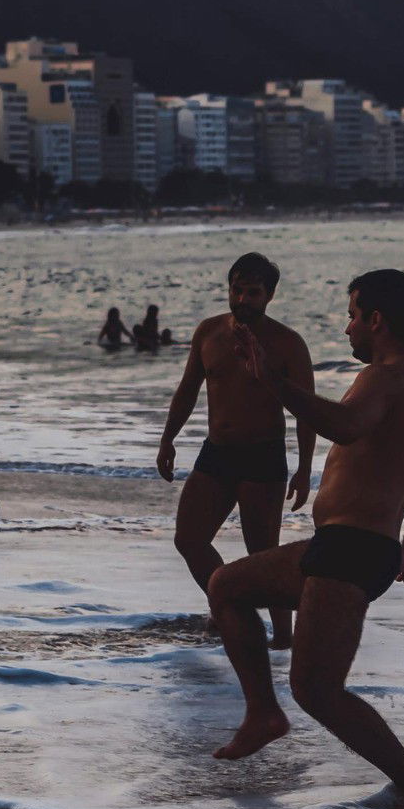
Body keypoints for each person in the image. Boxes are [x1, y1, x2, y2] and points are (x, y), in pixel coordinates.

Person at [206, 269, 404, 809]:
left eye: (352, 315)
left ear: (377, 320)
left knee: (318, 690)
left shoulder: (387, 378)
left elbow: (344, 425)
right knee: (228, 585)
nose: (347, 329)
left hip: (352, 549)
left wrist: (275, 383)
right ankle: (263, 714)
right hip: (357, 547)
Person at [155, 253, 316, 648]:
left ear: (270, 295)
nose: (243, 299)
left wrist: (305, 467)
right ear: (229, 289)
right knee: (189, 540)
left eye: (253, 293)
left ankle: (282, 638)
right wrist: (167, 439)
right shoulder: (209, 333)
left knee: (264, 554)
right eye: (237, 290)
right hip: (217, 453)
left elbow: (306, 410)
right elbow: (188, 390)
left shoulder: (288, 343)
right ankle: (230, 605)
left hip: (263, 457)